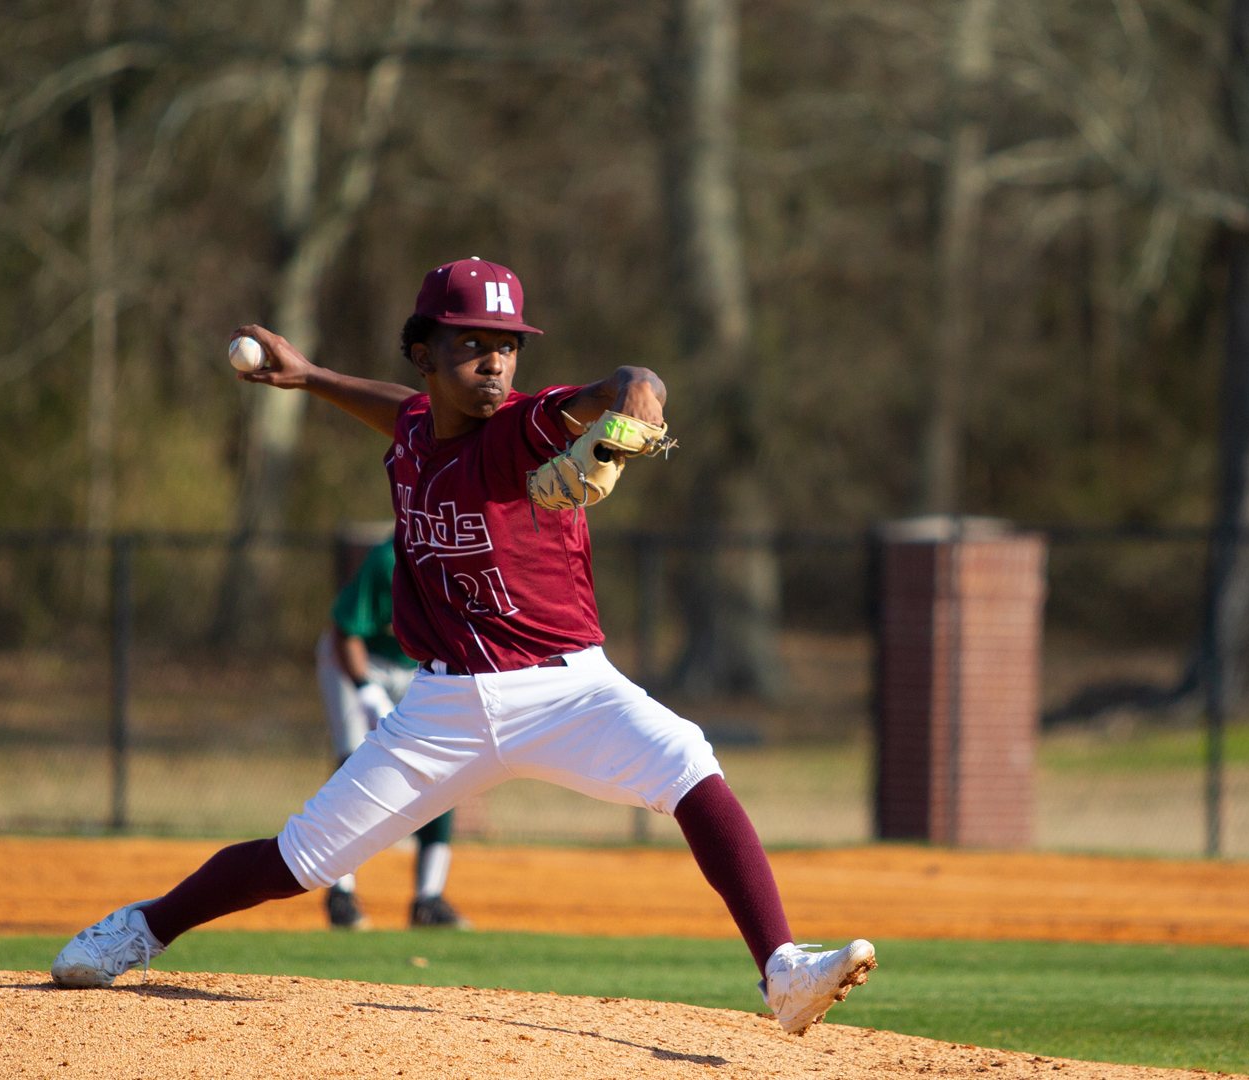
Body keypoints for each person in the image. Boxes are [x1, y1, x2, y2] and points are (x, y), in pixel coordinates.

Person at [50, 257, 875, 1035]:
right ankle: (139, 929)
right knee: (299, 859)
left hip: (570, 692)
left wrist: (633, 412)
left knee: (690, 762)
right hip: (441, 707)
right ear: (424, 354)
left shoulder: (522, 431)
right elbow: (398, 409)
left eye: (507, 347)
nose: (493, 363)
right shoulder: (414, 428)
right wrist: (310, 378)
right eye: (470, 344)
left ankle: (782, 970)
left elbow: (627, 385)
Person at [316, 534, 469, 930]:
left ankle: (428, 899)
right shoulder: (390, 558)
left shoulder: (468, 555)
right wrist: (366, 691)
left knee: (442, 767)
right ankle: (341, 892)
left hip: (417, 667)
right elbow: (345, 630)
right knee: (353, 761)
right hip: (358, 660)